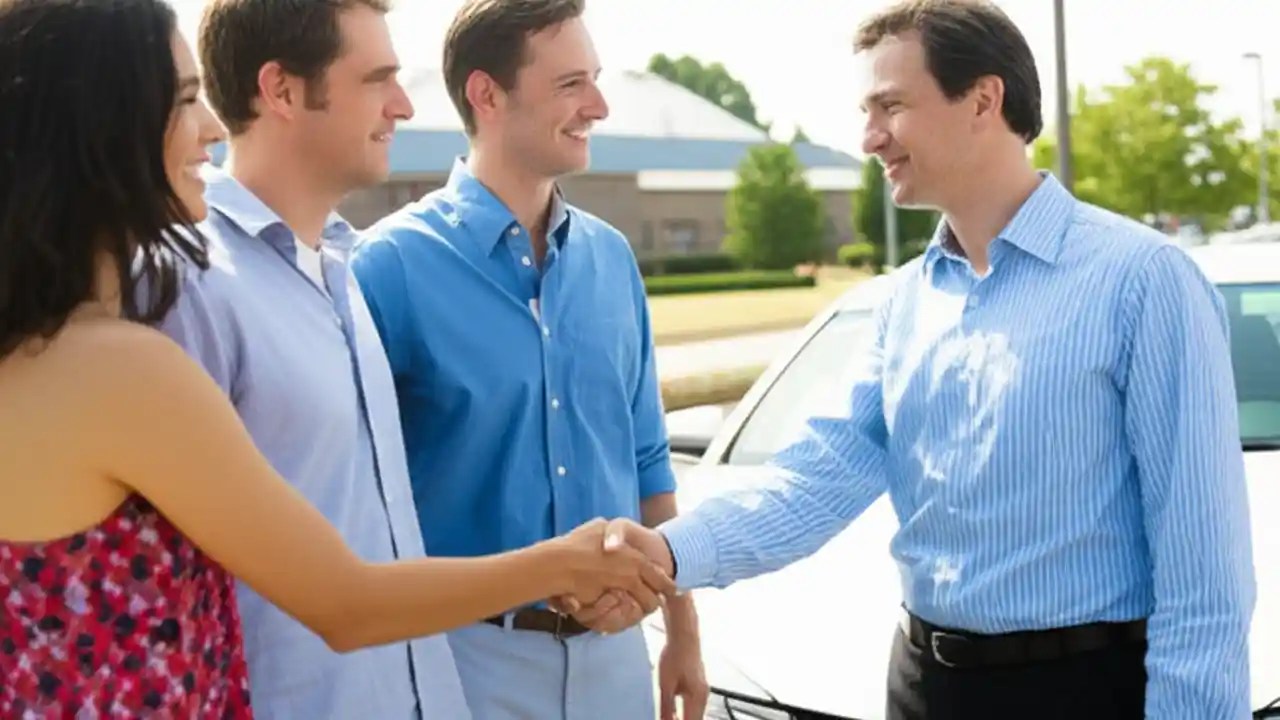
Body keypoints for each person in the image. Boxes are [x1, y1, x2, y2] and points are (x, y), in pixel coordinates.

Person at [0, 0, 675, 717]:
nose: (209, 130)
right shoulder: (160, 317)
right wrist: (560, 562)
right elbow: (341, 599)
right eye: (184, 100)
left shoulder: (343, 272)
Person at [600, 1, 1257, 719]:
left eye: (890, 105)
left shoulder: (1144, 281)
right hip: (923, 687)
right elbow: (816, 479)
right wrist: (666, 554)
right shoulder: (902, 302)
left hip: (1083, 691)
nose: (868, 137)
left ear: (982, 99)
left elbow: (1205, 579)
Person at [349, 1, 707, 718]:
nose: (599, 106)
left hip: (618, 663)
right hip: (463, 664)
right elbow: (356, 501)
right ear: (487, 94)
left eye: (596, 80)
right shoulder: (388, 268)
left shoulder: (612, 259)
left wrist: (684, 635)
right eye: (572, 84)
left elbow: (646, 463)